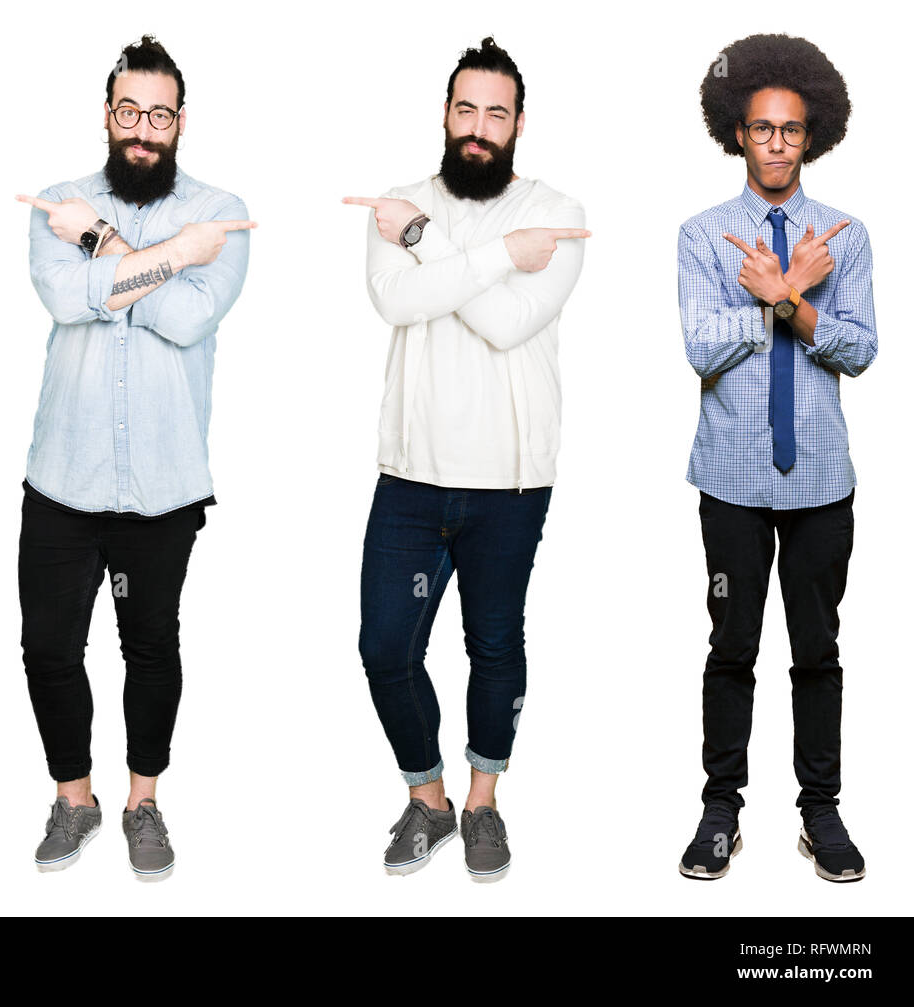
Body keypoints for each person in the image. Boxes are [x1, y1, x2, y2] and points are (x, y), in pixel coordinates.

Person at [344, 37, 588, 881]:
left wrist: (425, 243)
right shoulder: (399, 201)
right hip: (411, 477)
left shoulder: (556, 209)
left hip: (511, 481)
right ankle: (430, 800)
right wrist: (463, 250)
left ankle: (483, 806)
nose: (479, 127)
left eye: (496, 112)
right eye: (465, 109)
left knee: (494, 642)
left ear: (519, 122)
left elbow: (509, 323)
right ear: (444, 115)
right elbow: (395, 298)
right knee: (386, 649)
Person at [15, 34, 253, 881]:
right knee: (48, 646)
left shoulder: (221, 209)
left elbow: (191, 318)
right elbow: (63, 296)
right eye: (129, 111)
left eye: (159, 114)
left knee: (150, 645)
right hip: (62, 478)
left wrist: (106, 245)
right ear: (107, 114)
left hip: (163, 483)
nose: (142, 129)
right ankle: (73, 798)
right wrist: (167, 261)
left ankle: (142, 801)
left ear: (180, 121)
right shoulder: (58, 199)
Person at [677, 33, 875, 883]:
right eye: (761, 128)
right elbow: (702, 346)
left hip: (823, 482)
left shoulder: (847, 236)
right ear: (738, 132)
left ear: (812, 134)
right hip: (731, 480)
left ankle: (820, 812)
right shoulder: (703, 236)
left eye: (791, 130)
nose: (776, 144)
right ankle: (721, 809)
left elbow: (861, 350)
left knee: (818, 651)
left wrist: (787, 296)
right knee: (732, 647)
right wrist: (779, 297)